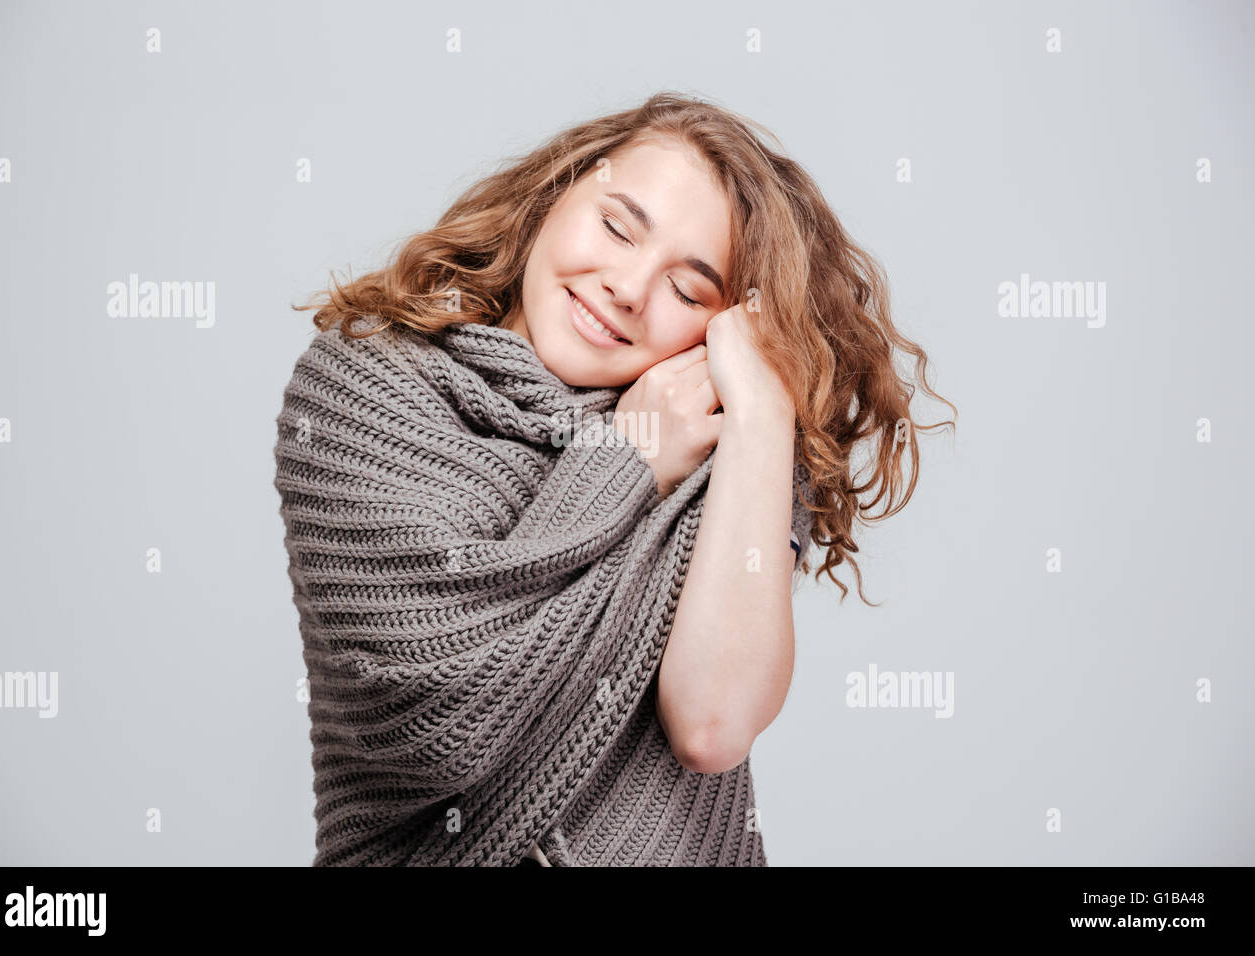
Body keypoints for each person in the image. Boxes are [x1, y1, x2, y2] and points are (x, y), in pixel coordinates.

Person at [273, 91, 956, 866]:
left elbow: (711, 725)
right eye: (616, 227)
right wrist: (628, 459)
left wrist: (765, 416)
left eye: (689, 289)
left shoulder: (730, 443)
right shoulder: (364, 385)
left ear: (721, 325)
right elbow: (436, 721)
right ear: (550, 196)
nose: (628, 287)